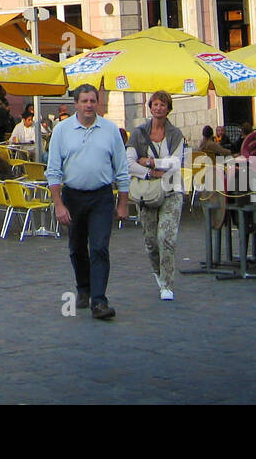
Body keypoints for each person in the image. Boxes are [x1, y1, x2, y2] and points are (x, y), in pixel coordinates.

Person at [46, 85, 130, 320]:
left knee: (99, 247)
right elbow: (53, 171)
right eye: (84, 101)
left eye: (93, 100)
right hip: (73, 195)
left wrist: (123, 202)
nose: (89, 105)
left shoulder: (110, 130)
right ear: (76, 104)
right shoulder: (62, 131)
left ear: (98, 104)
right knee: (76, 247)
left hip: (101, 196)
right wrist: (58, 204)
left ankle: (100, 301)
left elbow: (122, 168)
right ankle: (83, 288)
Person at [127, 90, 187, 302]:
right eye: (155, 104)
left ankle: (167, 285)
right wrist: (152, 172)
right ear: (150, 107)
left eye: (163, 104)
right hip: (147, 191)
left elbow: (175, 163)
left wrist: (150, 161)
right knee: (151, 241)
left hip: (172, 190)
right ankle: (159, 274)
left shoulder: (176, 134)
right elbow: (129, 163)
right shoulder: (138, 133)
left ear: (169, 108)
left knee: (166, 238)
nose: (158, 108)